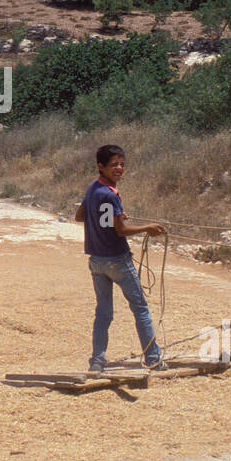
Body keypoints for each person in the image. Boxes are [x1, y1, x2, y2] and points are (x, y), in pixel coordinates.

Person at [74, 144, 166, 373]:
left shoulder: (93, 189)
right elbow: (121, 231)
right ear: (101, 166)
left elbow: (79, 216)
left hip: (97, 261)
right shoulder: (111, 195)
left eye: (122, 164)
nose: (119, 168)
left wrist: (106, 217)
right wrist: (147, 228)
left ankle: (97, 360)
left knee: (103, 312)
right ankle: (153, 359)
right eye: (114, 164)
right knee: (141, 309)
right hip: (118, 260)